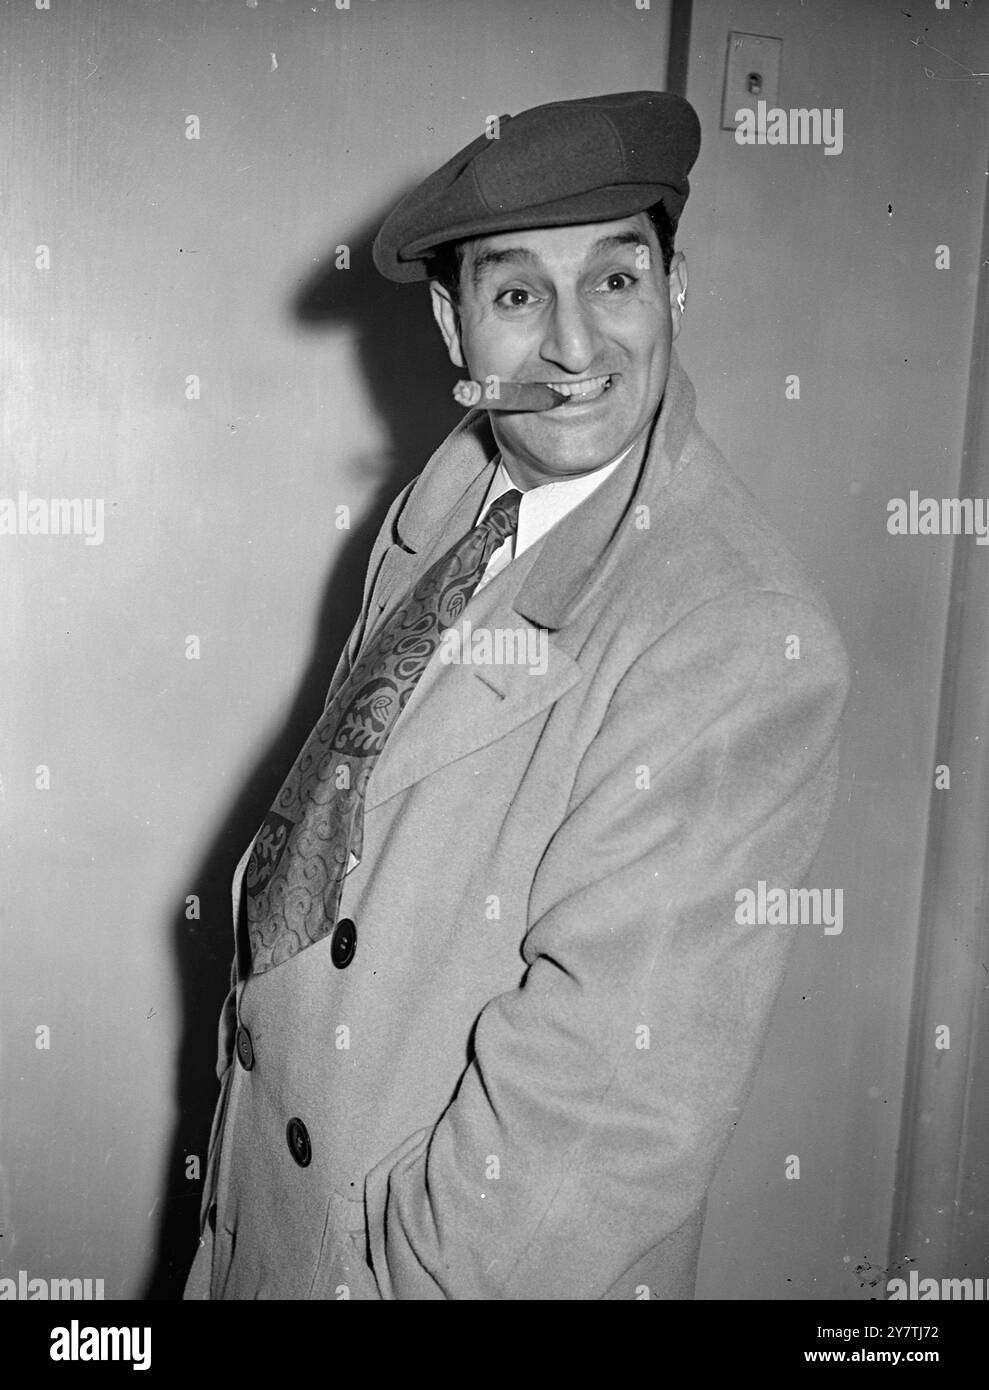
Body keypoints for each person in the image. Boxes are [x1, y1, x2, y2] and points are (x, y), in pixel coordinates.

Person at [183, 90, 849, 1301]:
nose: (575, 348)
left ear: (672, 287)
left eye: (613, 279)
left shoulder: (738, 633)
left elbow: (586, 1148)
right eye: (513, 294)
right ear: (452, 327)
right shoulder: (447, 516)